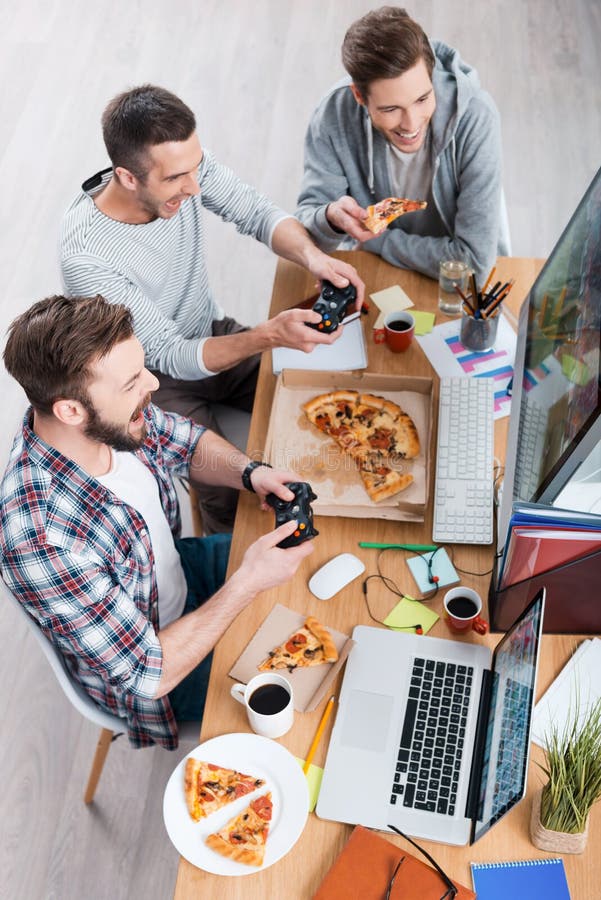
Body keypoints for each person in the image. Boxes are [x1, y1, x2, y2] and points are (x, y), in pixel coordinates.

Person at [0, 295, 315, 749]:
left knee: (313, 572)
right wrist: (245, 583)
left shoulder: (108, 417)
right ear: (70, 409)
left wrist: (251, 473)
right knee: (301, 701)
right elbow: (148, 673)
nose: (151, 384)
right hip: (158, 667)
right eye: (133, 382)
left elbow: (183, 441)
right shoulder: (39, 540)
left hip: (175, 571)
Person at [59, 84, 365, 534]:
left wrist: (315, 258)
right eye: (177, 179)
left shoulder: (181, 166)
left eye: (195, 167)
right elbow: (169, 353)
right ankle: (223, 552)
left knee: (317, 390)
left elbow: (257, 212)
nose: (195, 186)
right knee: (226, 487)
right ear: (127, 177)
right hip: (152, 382)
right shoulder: (88, 256)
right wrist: (267, 335)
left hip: (208, 332)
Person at [296, 6, 511, 283]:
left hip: (454, 289)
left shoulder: (475, 117)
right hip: (375, 270)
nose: (411, 124)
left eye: (422, 99)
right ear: (360, 96)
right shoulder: (332, 117)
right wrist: (330, 217)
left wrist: (379, 242)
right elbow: (308, 232)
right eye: (390, 109)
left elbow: (472, 265)